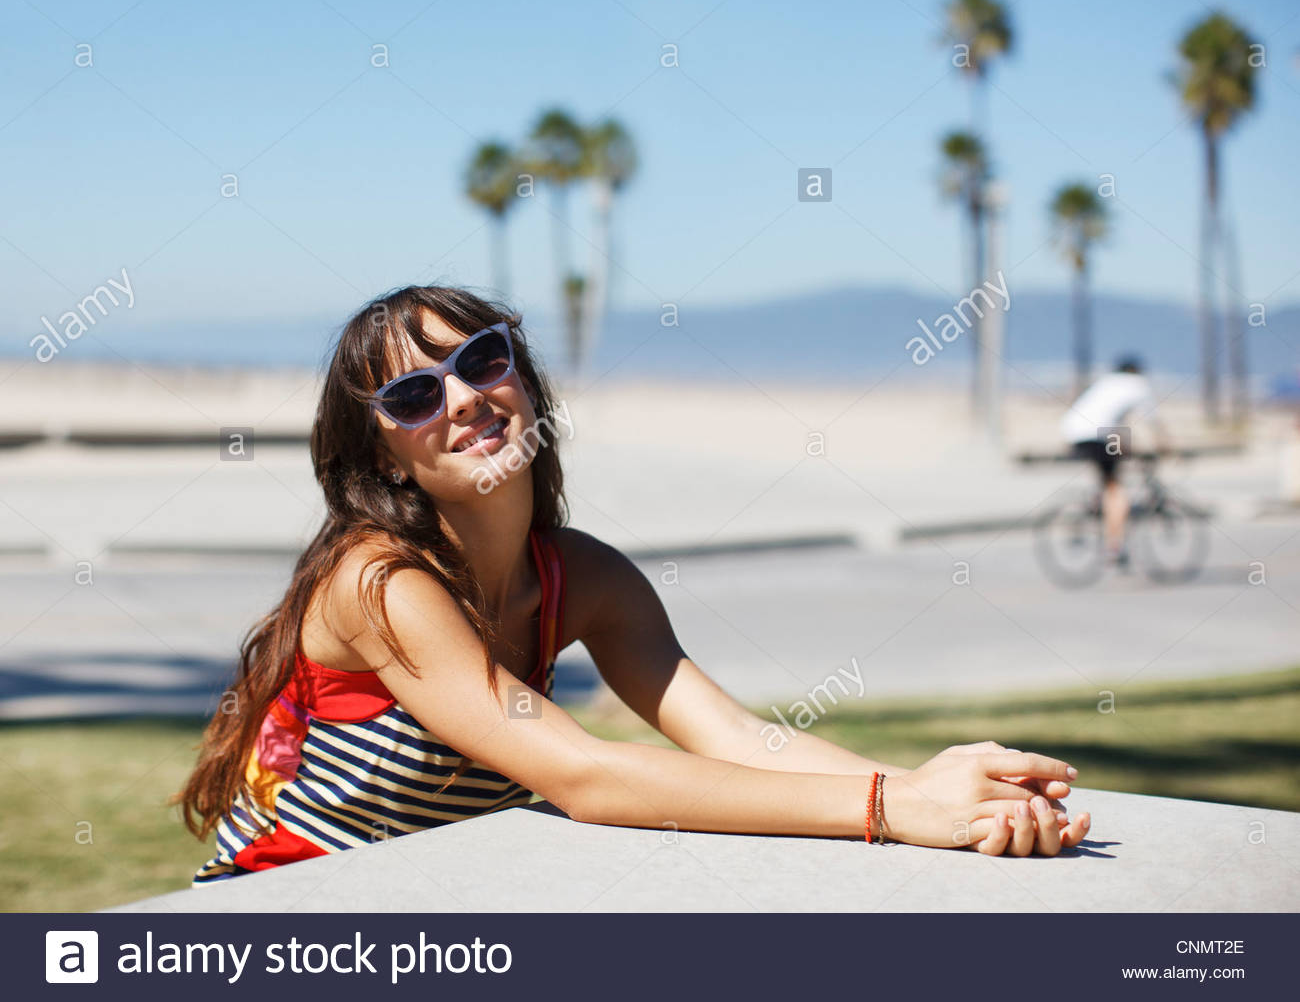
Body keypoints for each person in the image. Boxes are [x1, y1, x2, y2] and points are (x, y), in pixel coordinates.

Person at [177, 286, 1090, 884]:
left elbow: (733, 736)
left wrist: (936, 790)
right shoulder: (379, 582)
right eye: (413, 398)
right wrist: (895, 813)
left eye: (480, 361)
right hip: (281, 913)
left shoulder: (585, 577)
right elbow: (582, 775)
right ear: (391, 459)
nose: (459, 399)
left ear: (524, 383)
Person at [1060, 357, 1169, 567]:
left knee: (1109, 476)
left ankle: (1098, 506)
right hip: (1096, 436)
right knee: (1116, 489)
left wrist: (1126, 446)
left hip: (1074, 431)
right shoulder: (1137, 385)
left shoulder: (1108, 381)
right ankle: (1114, 547)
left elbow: (1115, 423)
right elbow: (1151, 419)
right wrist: (1165, 445)